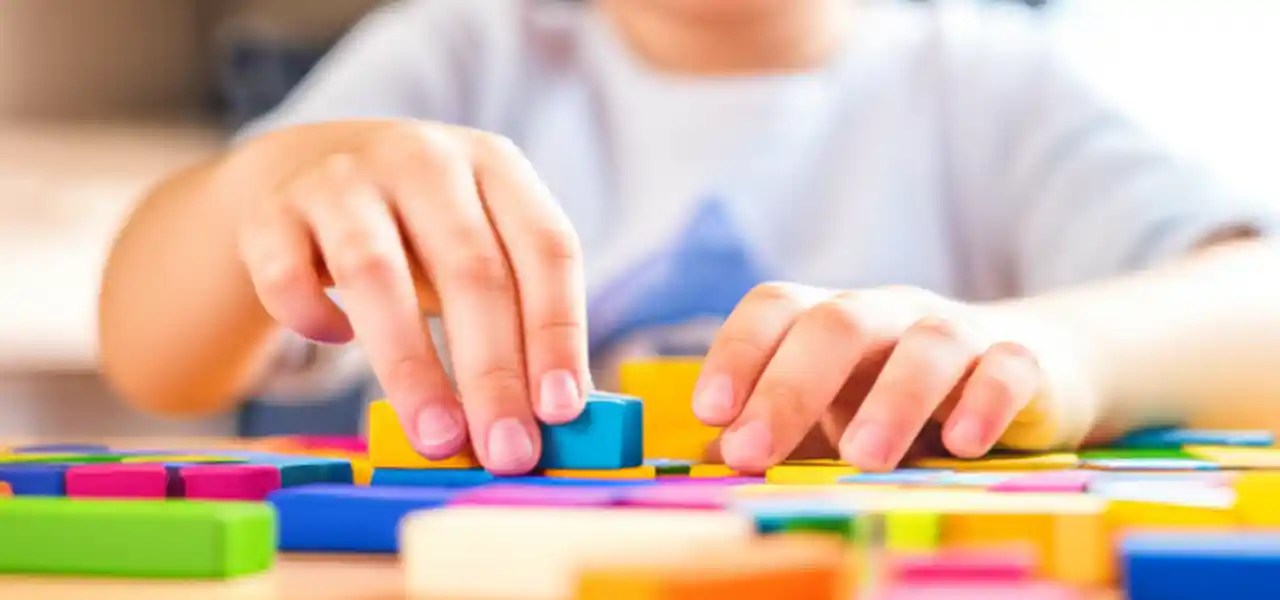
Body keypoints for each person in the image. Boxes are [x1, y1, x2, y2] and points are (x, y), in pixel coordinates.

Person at [98, 0, 1279, 476]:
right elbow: (150, 352)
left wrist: (1053, 355)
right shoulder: (456, 51)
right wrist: (262, 187)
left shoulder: (984, 85)